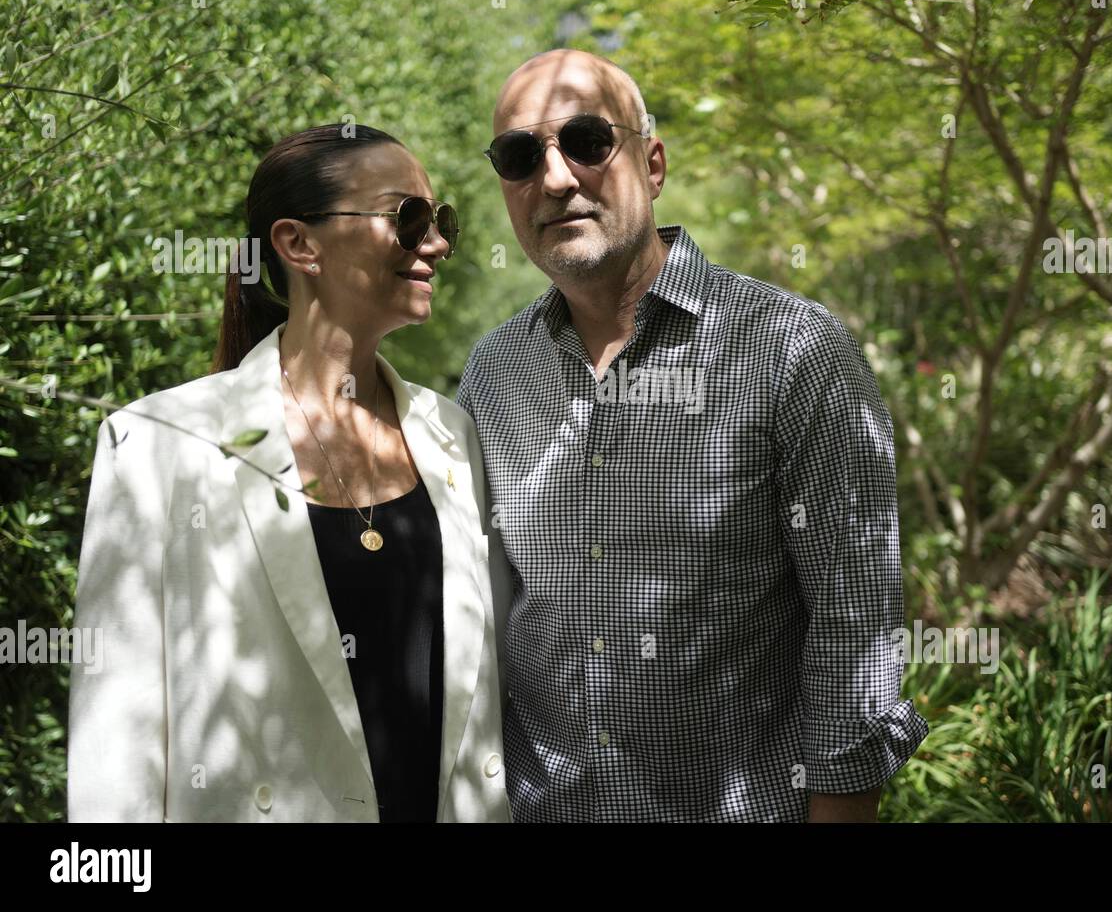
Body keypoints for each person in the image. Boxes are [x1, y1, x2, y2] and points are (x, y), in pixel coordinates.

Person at [457, 50, 929, 822]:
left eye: (586, 140)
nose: (555, 179)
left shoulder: (792, 350)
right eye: (519, 156)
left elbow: (855, 625)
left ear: (653, 162)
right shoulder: (495, 370)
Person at [68, 124, 510, 822]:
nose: (438, 243)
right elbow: (114, 745)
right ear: (299, 244)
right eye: (409, 218)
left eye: (441, 219)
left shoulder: (451, 435)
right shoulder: (157, 444)